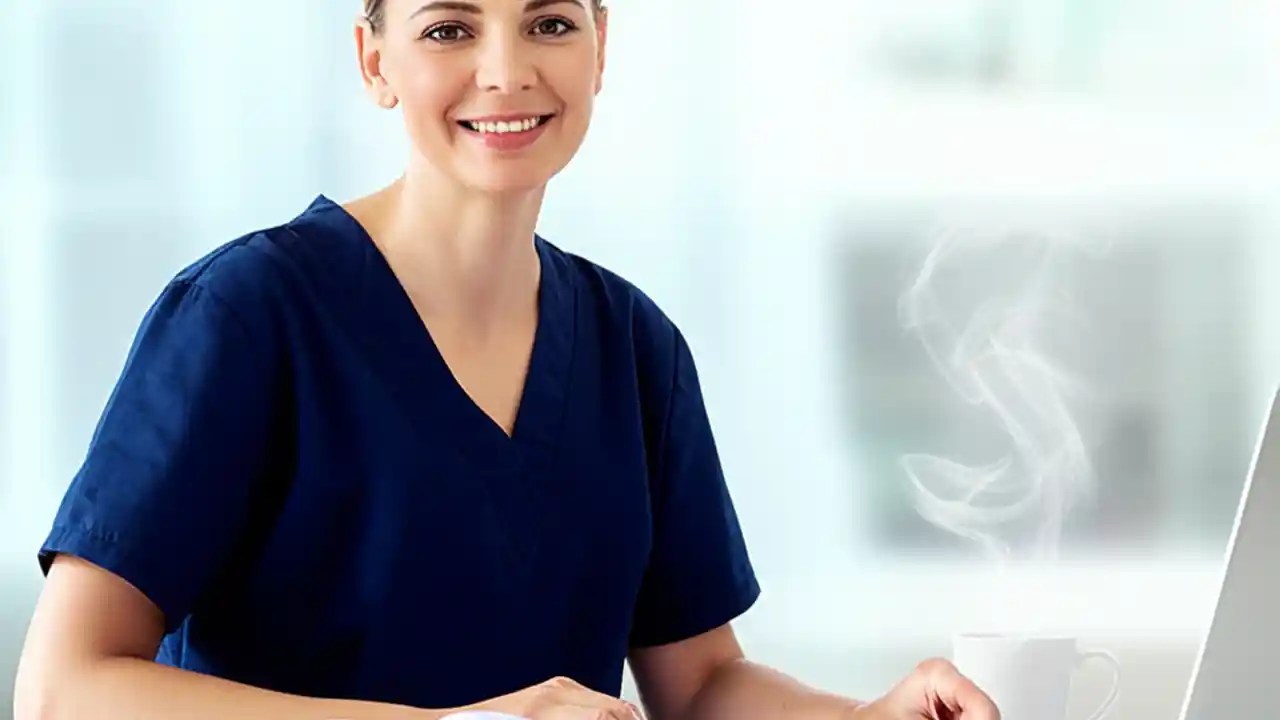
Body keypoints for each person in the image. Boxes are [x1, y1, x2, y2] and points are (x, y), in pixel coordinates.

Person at [13, 1, 1000, 719]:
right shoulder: (248, 315)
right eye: (449, 28)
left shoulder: (632, 347)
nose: (506, 68)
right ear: (374, 61)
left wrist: (869, 719)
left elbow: (697, 685)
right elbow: (66, 687)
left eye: (549, 23)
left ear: (600, 47)